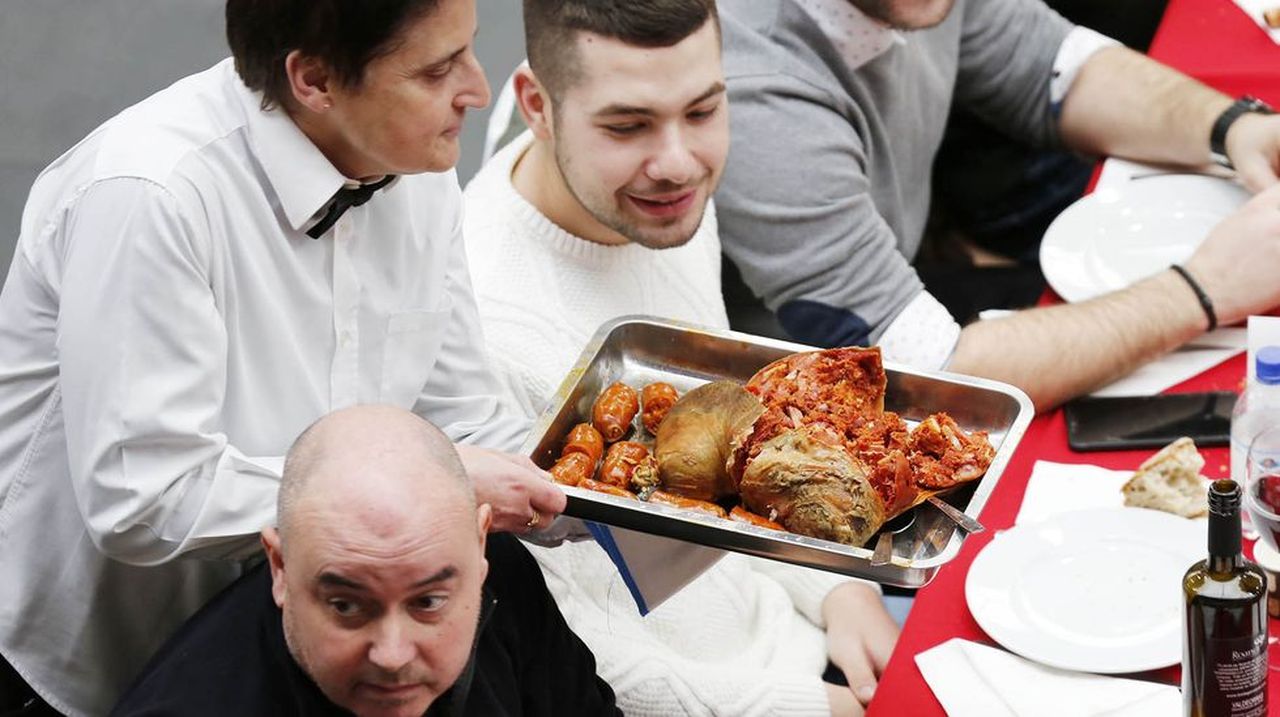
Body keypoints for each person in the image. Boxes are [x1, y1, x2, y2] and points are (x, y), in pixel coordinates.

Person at [0, 1, 566, 714]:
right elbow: (141, 496)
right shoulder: (150, 193)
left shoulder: (417, 166)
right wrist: (436, 487)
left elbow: (459, 414)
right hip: (77, 671)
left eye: (468, 51)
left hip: (302, 644)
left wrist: (625, 501)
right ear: (315, 80)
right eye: (436, 69)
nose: (478, 90)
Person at [463, 2, 899, 715]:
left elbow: (742, 447)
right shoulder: (486, 327)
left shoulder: (659, 200)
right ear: (537, 106)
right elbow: (577, 660)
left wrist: (837, 588)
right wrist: (806, 704)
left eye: (702, 111)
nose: (678, 161)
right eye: (627, 125)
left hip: (797, 617)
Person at [714, 0, 1280, 411]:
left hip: (905, 310)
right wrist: (1209, 289)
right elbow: (928, 376)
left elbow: (1053, 66)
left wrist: (1237, 130)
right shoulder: (757, 89)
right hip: (787, 405)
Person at [110, 406, 618, 717]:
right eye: (347, 607)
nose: (393, 656)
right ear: (280, 568)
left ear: (480, 547)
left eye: (429, 602)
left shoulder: (503, 582)